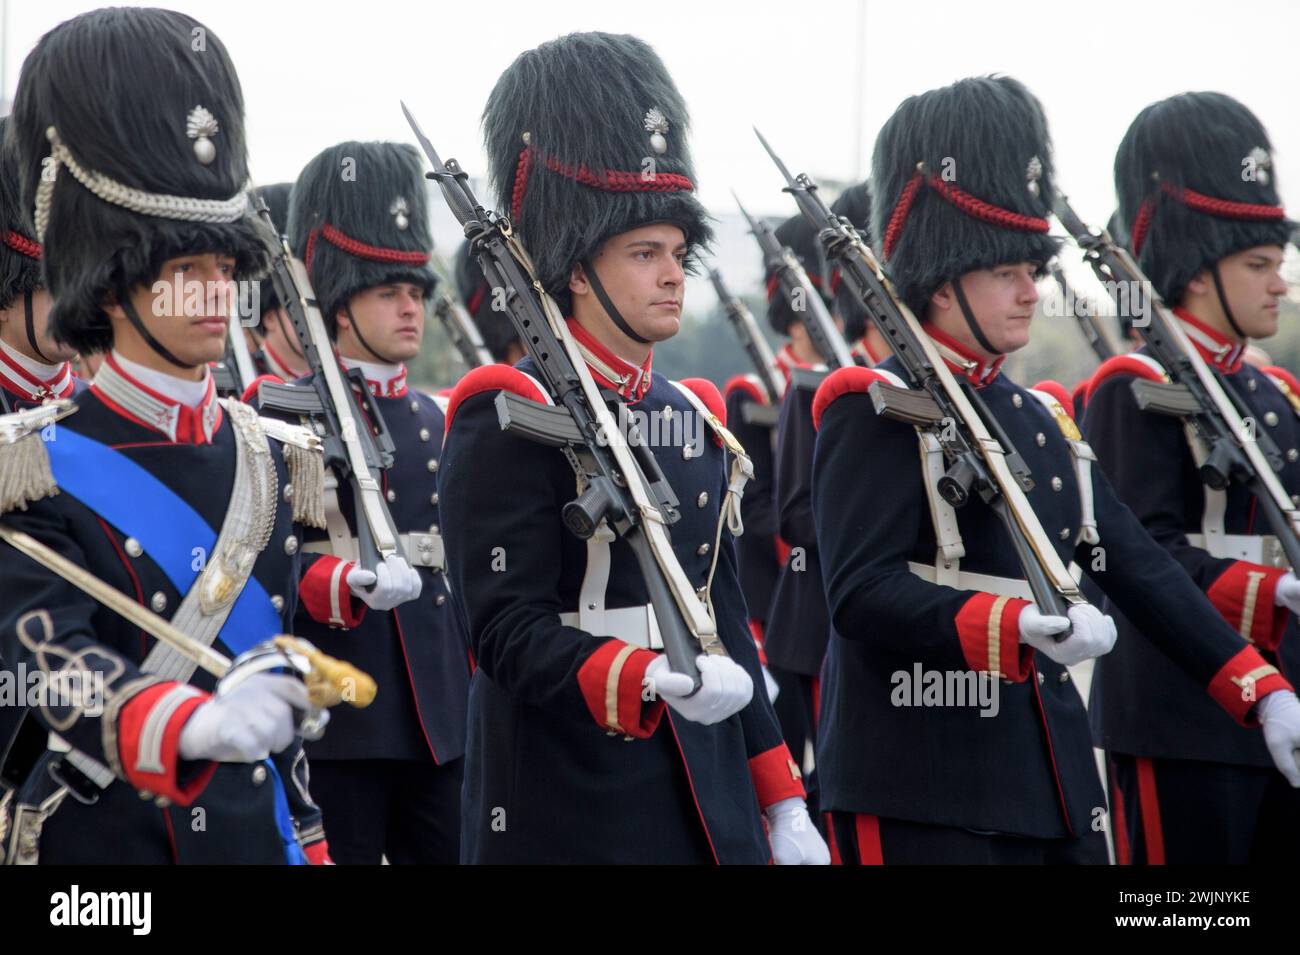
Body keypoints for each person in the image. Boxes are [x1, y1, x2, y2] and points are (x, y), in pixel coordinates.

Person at [811, 74, 1300, 864]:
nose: (1030, 291)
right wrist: (1007, 624)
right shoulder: (870, 406)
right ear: (940, 276)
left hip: (1048, 787)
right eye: (1006, 271)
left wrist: (1257, 686)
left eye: (1032, 270)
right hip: (915, 785)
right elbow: (859, 592)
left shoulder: (1038, 420)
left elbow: (1139, 566)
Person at [439, 31, 827, 864]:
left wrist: (781, 795)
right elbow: (503, 630)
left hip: (707, 791)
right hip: (570, 797)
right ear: (576, 270)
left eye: (678, 254)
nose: (672, 275)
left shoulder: (693, 410)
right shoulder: (507, 409)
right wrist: (642, 676)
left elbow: (722, 619)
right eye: (644, 254)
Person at [0, 6, 332, 865]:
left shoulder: (274, 456)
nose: (215, 295)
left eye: (223, 269)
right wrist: (185, 719)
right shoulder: (29, 464)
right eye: (186, 271)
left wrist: (309, 831)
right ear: (111, 285)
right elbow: (42, 656)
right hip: (108, 855)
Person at [1082, 91, 1300, 863]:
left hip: (1286, 697)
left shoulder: (1273, 392)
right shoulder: (1131, 383)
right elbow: (1143, 551)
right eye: (1259, 263)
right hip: (1178, 709)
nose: (1280, 282)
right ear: (1201, 271)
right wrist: (1270, 590)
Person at [265, 139, 470, 864]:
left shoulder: (433, 416)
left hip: (440, 717)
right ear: (341, 304)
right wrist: (339, 583)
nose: (410, 308)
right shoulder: (280, 412)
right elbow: (264, 561)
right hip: (343, 718)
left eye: (415, 291)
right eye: (388, 291)